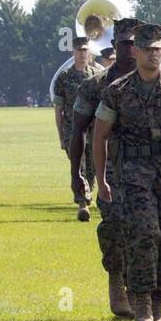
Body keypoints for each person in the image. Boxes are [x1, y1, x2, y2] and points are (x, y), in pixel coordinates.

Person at [92, 24, 161, 321]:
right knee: (144, 234)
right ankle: (140, 304)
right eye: (148, 50)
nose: (154, 55)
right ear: (136, 52)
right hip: (133, 175)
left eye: (158, 50)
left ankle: (159, 304)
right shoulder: (117, 91)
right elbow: (99, 136)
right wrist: (101, 180)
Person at [71, 18, 141, 318]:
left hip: (152, 167)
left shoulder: (159, 82)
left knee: (149, 231)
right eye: (125, 43)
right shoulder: (95, 86)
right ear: (114, 46)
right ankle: (117, 282)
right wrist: (77, 174)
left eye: (135, 44)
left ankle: (144, 291)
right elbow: (78, 132)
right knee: (115, 228)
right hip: (110, 168)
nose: (130, 49)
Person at [53, 37, 103, 221]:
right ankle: (83, 203)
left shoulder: (98, 74)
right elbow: (59, 109)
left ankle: (87, 199)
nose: (82, 53)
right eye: (79, 50)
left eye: (85, 50)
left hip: (95, 129)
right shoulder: (64, 78)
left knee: (93, 168)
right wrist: (60, 136)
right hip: (72, 130)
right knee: (78, 167)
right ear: (73, 52)